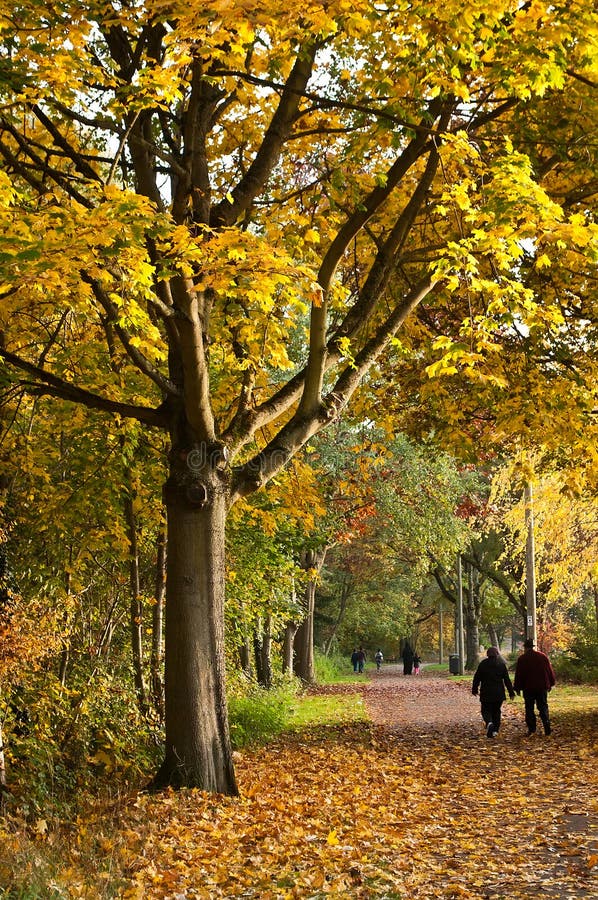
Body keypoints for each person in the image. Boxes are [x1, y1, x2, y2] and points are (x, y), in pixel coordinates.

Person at [514, 638, 556, 736]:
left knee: (529, 708)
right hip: (541, 687)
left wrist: (517, 687)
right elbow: (549, 670)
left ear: (525, 647)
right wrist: (551, 683)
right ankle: (547, 727)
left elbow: (519, 674)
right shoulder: (542, 656)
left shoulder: (522, 659)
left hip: (528, 688)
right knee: (543, 707)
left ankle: (531, 729)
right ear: (533, 647)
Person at [472, 646, 515, 738]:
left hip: (486, 692)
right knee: (496, 711)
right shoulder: (501, 665)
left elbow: (477, 678)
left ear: (487, 655)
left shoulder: (483, 664)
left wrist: (474, 689)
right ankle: (495, 730)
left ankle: (489, 723)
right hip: (498, 693)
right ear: (497, 654)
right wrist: (511, 692)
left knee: (485, 710)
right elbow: (507, 680)